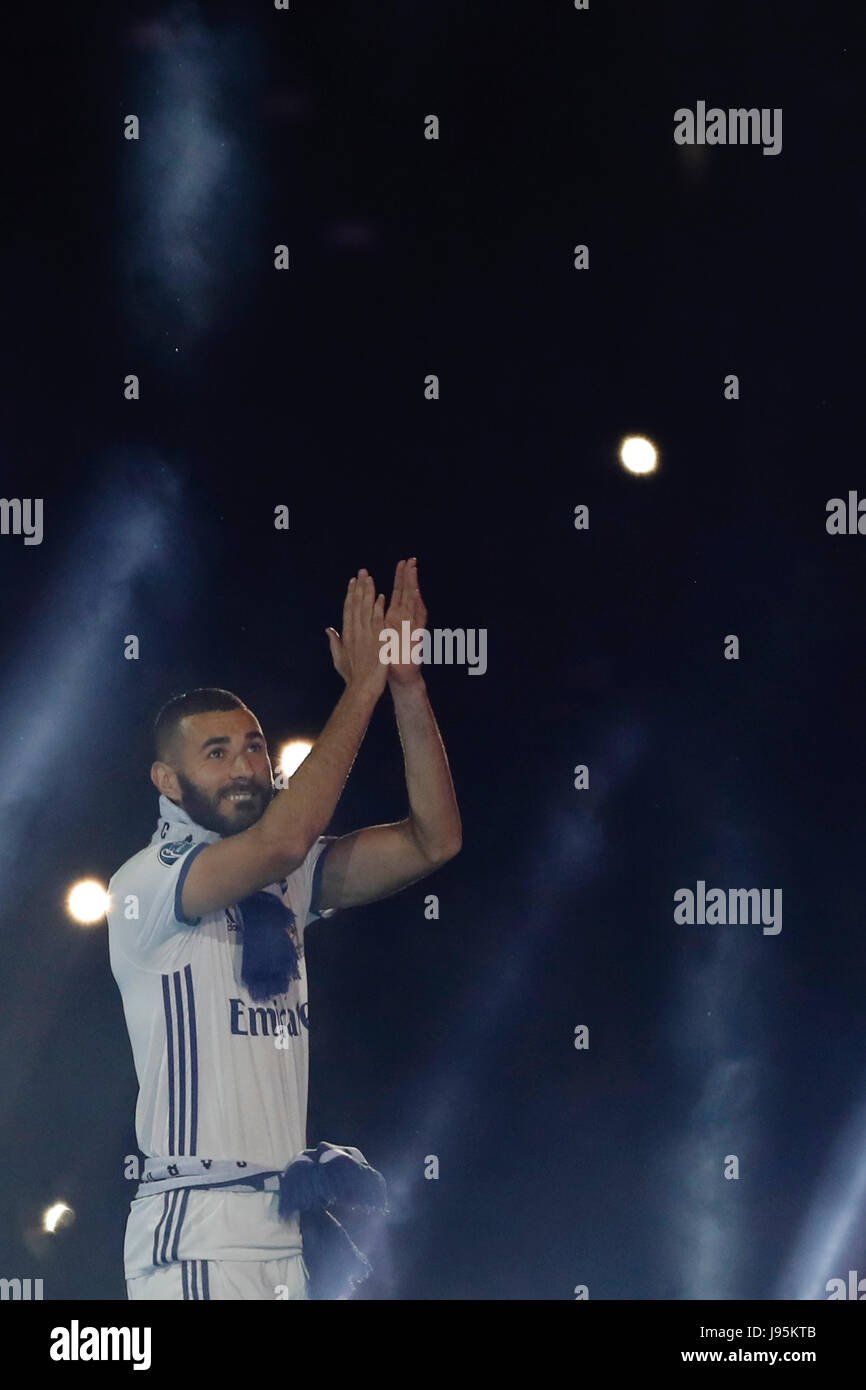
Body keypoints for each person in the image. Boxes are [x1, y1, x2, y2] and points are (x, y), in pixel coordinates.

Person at [106, 559, 461, 1299]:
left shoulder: (284, 878)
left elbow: (436, 840)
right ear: (167, 784)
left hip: (280, 1233)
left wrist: (404, 686)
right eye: (217, 754)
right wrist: (359, 684)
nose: (246, 767)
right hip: (196, 1235)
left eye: (255, 747)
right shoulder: (144, 883)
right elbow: (282, 842)